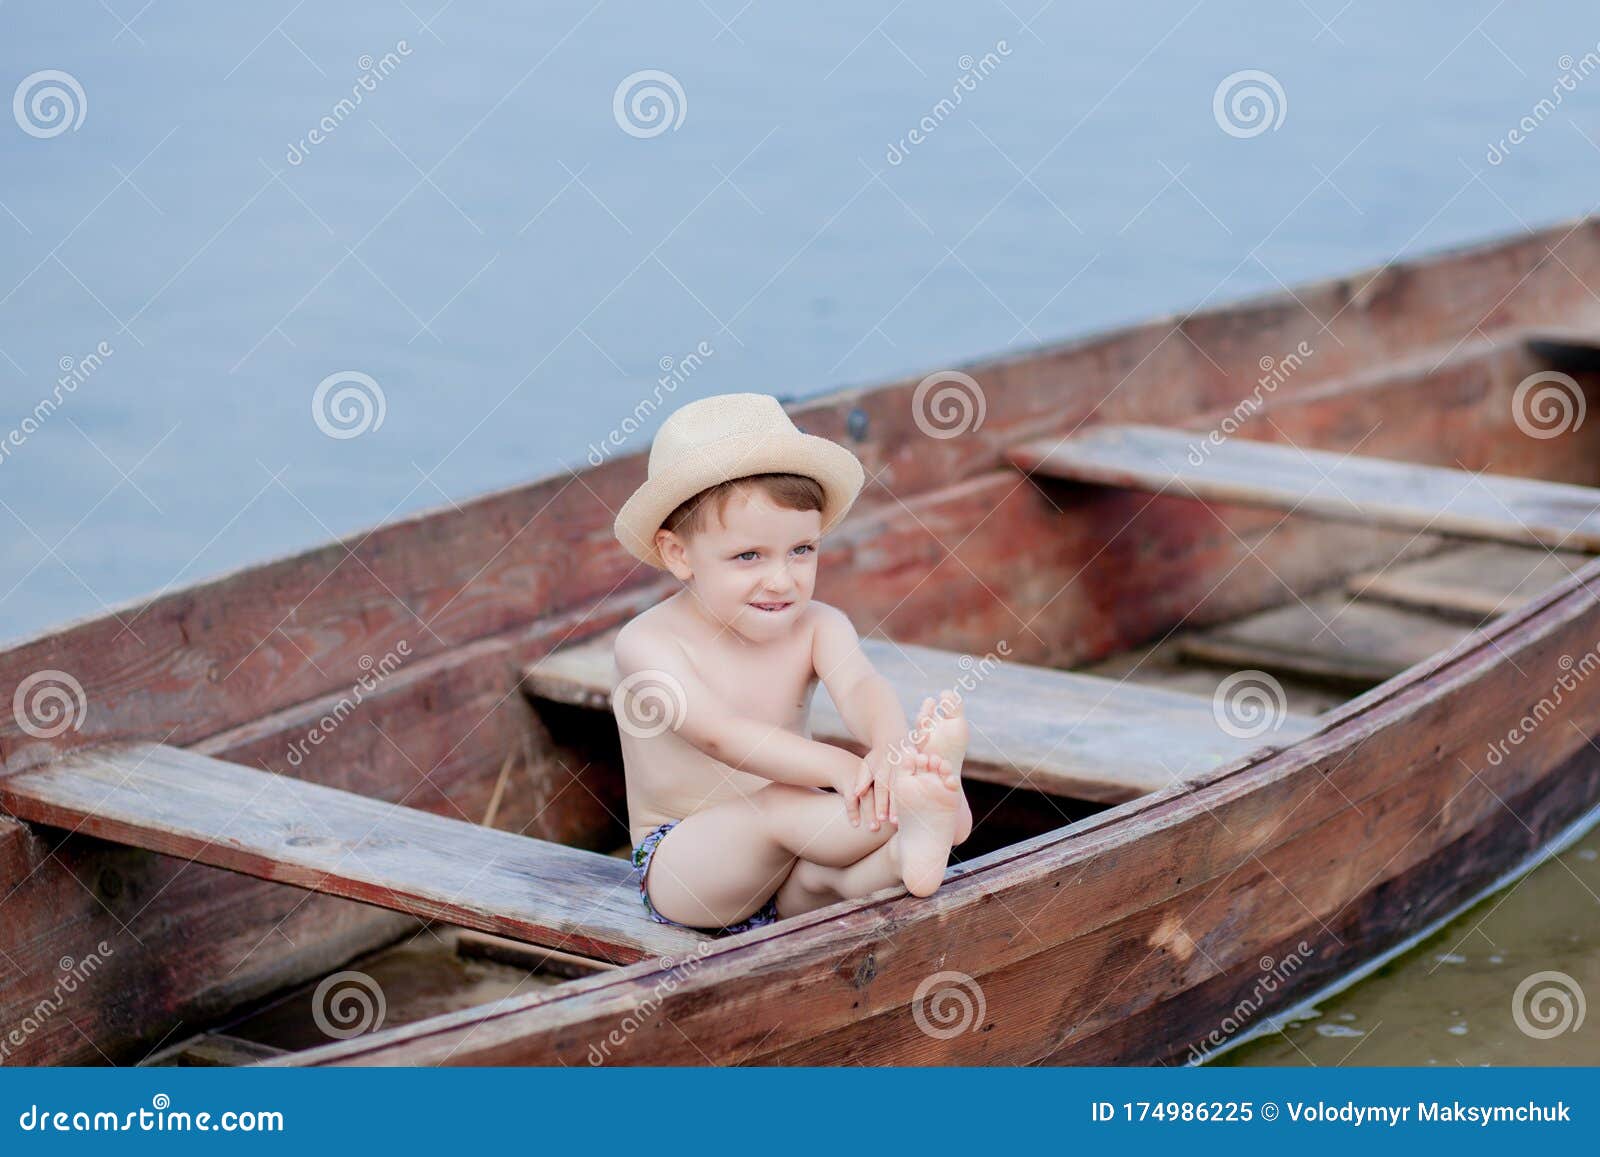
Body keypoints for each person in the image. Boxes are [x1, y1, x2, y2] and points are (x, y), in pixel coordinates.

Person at [610, 392, 972, 935]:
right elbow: (720, 735)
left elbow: (861, 687)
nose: (782, 580)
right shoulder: (647, 644)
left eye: (802, 550)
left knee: (835, 881)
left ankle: (909, 850)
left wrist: (889, 743)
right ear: (678, 554)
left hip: (787, 869)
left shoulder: (820, 624)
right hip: (686, 869)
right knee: (780, 803)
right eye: (748, 556)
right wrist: (840, 766)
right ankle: (922, 810)